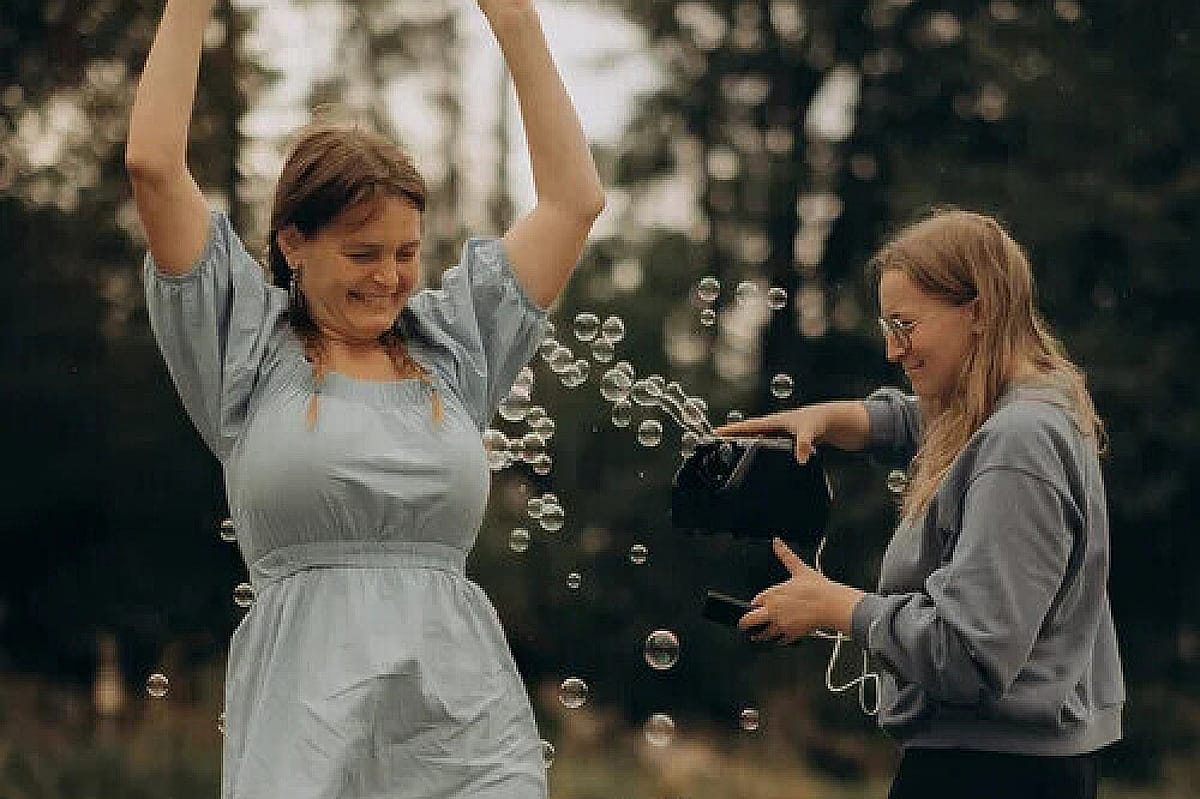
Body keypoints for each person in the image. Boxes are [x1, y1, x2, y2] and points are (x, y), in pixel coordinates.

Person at [126, 0, 603, 795]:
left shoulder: (454, 347)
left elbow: (572, 202)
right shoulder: (243, 347)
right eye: (361, 252)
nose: (389, 277)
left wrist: (514, 17)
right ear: (292, 245)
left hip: (465, 742)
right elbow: (151, 165)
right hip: (303, 740)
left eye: (407, 252)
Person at [717, 209, 1123, 799]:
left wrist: (837, 607)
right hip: (1010, 765)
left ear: (979, 311)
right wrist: (828, 419)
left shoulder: (1018, 443)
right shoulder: (1018, 408)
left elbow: (969, 653)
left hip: (992, 776)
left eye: (905, 326)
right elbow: (914, 419)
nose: (892, 350)